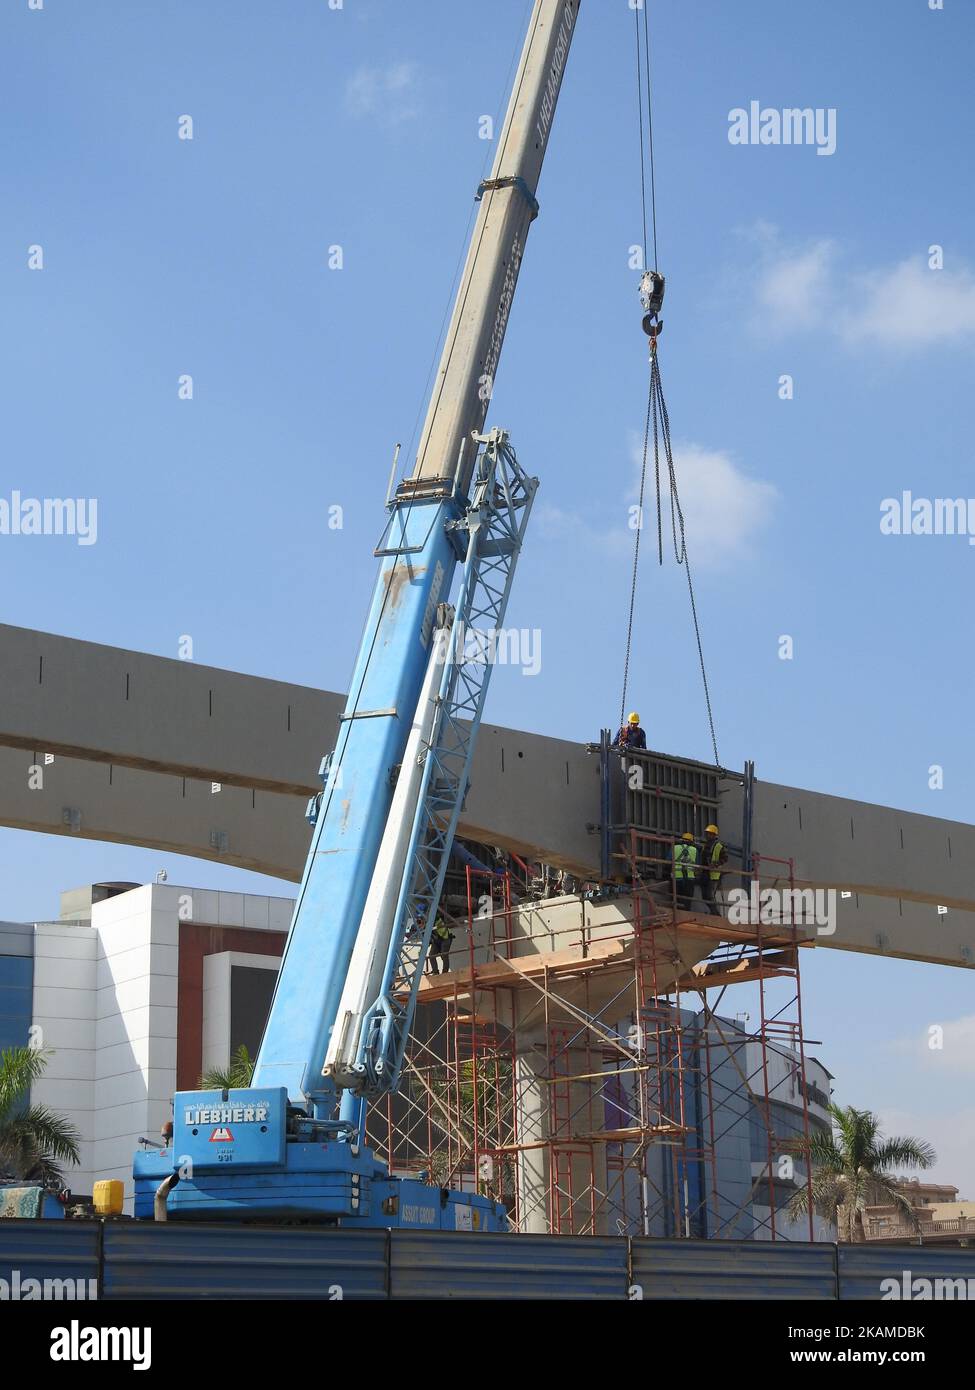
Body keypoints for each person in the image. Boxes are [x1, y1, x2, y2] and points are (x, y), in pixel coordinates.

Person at [700, 823, 728, 917]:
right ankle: (714, 913)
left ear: (714, 835)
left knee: (710, 895)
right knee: (705, 896)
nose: (708, 835)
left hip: (714, 875)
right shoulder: (705, 845)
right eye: (707, 833)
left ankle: (716, 915)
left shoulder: (719, 846)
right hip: (705, 873)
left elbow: (725, 858)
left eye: (710, 833)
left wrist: (715, 864)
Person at [671, 831, 699, 910]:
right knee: (687, 900)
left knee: (676, 899)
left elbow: (668, 860)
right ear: (691, 841)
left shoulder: (674, 847)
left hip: (677, 878)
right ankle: (686, 914)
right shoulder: (695, 850)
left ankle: (677, 914)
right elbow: (697, 863)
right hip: (689, 878)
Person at [427, 910, 454, 975]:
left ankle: (445, 973)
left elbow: (434, 926)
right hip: (437, 940)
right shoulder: (427, 922)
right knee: (431, 955)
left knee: (444, 955)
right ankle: (435, 972)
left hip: (445, 938)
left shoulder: (435, 919)